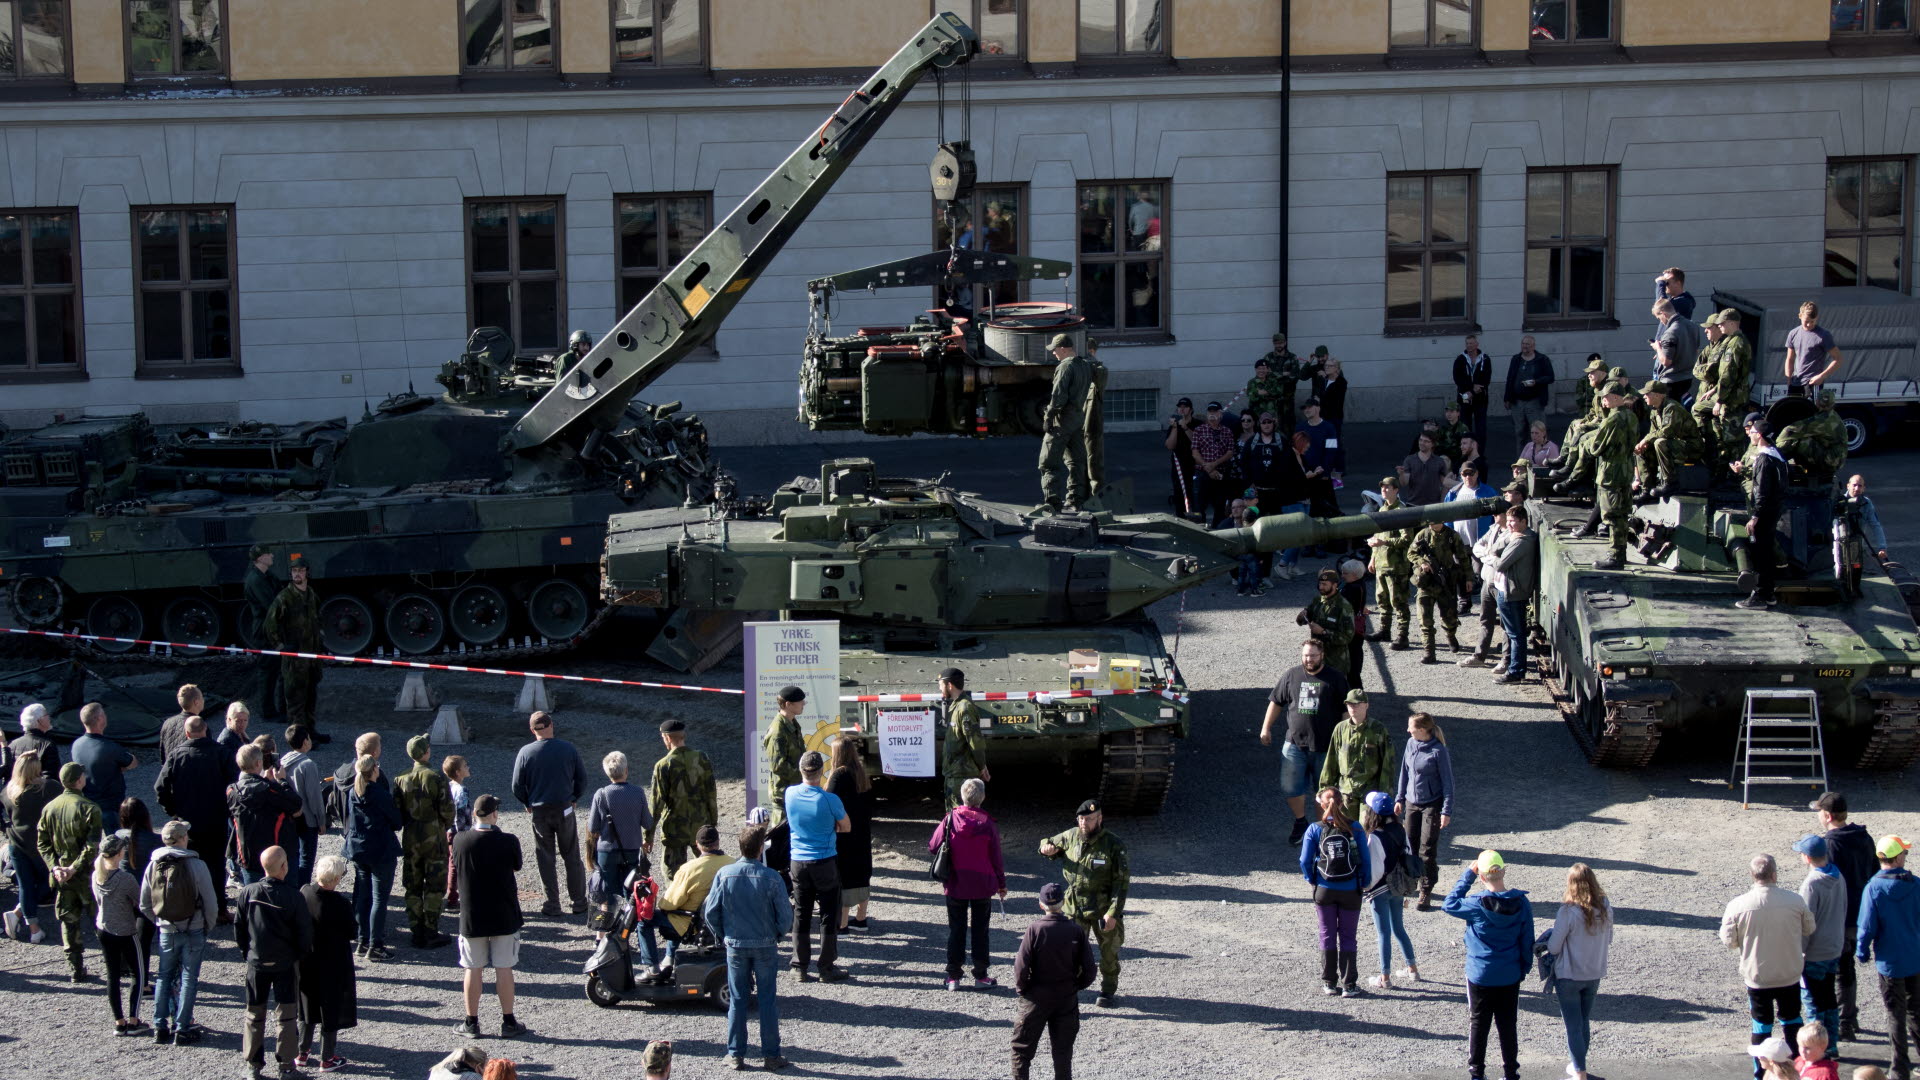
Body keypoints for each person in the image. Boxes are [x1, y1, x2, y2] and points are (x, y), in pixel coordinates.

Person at [704, 824, 794, 1071]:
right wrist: (776, 934)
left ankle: (735, 1054)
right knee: (767, 1000)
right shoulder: (772, 877)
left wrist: (724, 935)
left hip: (736, 944)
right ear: (760, 849)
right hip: (765, 944)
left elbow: (710, 912)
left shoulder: (725, 874)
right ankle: (771, 1055)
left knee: (737, 999)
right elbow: (786, 917)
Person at [1721, 853, 1817, 1073]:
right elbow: (1809, 928)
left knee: (1761, 1026)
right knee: (1792, 1020)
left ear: (1753, 876)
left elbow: (1729, 941)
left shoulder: (1737, 905)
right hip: (1789, 974)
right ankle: (1796, 1070)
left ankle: (1761, 1072)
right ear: (1774, 874)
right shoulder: (1795, 900)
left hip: (1757, 977)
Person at [1443, 850, 1535, 1080]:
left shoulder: (1475, 904)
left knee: (1479, 1023)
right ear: (1503, 871)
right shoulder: (1522, 903)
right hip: (1509, 973)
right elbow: (1527, 941)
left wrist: (1467, 875)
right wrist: (1523, 969)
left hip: (1480, 973)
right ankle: (1511, 1072)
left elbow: (1449, 903)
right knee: (1507, 1025)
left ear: (1482, 877)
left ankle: (1477, 1073)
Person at [1038, 799, 1128, 1008]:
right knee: (1070, 952)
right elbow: (1047, 842)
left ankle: (1107, 990)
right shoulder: (1070, 836)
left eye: (1088, 819)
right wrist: (1045, 848)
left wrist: (1113, 913)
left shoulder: (1113, 845)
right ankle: (1069, 990)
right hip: (1075, 906)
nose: (1083, 823)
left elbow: (1121, 883)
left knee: (1108, 953)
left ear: (1100, 819)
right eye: (1080, 819)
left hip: (1103, 908)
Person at [452, 794, 528, 1039]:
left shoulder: (460, 840)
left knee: (473, 968)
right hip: (504, 914)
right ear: (495, 814)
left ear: (474, 813)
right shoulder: (508, 841)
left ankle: (471, 1022)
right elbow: (517, 865)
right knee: (503, 968)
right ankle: (508, 1021)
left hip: (473, 915)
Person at [1261, 639, 1352, 844]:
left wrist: (1344, 740)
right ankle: (1301, 822)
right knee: (1290, 788)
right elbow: (1276, 702)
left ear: (1322, 655)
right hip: (1294, 745)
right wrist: (1265, 728)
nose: (1308, 659)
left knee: (1325, 792)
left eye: (1312, 655)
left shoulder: (1335, 678)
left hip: (1326, 747)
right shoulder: (1291, 676)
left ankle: (1323, 828)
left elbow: (1346, 711)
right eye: (1305, 655)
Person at [236, 846, 313, 1079]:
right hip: (285, 965)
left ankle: (253, 1065)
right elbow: (304, 935)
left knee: (254, 1014)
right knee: (286, 1016)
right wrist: (297, 956)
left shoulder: (248, 893)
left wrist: (247, 952)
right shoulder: (294, 896)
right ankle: (287, 1065)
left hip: (256, 963)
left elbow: (239, 928)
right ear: (284, 867)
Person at [141, 819, 218, 1045]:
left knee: (164, 976)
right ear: (183, 838)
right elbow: (210, 902)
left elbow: (145, 903)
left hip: (166, 929)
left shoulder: (153, 864)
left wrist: (159, 921)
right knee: (189, 979)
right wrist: (206, 926)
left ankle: (159, 1025)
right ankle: (182, 1027)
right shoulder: (197, 865)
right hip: (193, 927)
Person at [156, 714, 236, 924]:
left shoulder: (177, 755)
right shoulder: (222, 753)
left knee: (189, 864)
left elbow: (160, 788)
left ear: (187, 733)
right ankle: (218, 910)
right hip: (216, 819)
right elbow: (235, 784)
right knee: (217, 865)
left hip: (188, 823)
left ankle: (191, 907)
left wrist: (172, 811)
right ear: (206, 730)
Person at [1011, 881, 1096, 1080]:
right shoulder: (1076, 931)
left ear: (1041, 904)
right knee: (1063, 1053)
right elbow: (1090, 970)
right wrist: (1076, 986)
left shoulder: (1034, 929)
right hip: (1065, 998)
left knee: (1021, 1050)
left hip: (1036, 998)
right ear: (1064, 902)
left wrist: (1023, 989)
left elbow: (1021, 966)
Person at [930, 777, 1006, 990]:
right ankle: (980, 975)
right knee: (981, 931)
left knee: (956, 929)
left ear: (962, 796)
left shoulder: (950, 819)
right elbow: (996, 858)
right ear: (982, 797)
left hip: (955, 882)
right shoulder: (989, 823)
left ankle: (953, 975)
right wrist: (1001, 884)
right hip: (982, 883)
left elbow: (933, 845)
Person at [1816, 791, 1881, 1042]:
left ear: (1828, 815)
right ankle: (1849, 1018)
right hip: (1861, 913)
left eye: (1820, 813)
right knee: (1847, 967)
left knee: (1840, 969)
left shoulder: (1830, 844)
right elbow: (1874, 872)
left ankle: (1844, 1022)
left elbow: (1826, 883)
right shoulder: (1864, 837)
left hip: (1840, 916)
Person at [509, 710, 586, 916]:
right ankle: (578, 901)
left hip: (540, 810)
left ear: (532, 730)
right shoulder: (568, 749)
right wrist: (574, 798)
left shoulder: (526, 752)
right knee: (571, 855)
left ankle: (553, 903)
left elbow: (517, 785)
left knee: (545, 857)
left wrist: (528, 802)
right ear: (551, 725)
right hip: (564, 807)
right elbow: (582, 779)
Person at [1857, 835, 1920, 1080]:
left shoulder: (1873, 888)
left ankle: (1899, 1068)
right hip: (1915, 959)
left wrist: (1861, 951)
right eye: (1904, 852)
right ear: (1898, 857)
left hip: (1889, 964)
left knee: (1895, 1015)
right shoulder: (1916, 885)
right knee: (1916, 1012)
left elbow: (1867, 925)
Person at [784, 749, 849, 982]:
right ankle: (826, 967)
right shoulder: (830, 799)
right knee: (829, 913)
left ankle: (799, 966)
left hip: (798, 862)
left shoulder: (789, 794)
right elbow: (846, 826)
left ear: (801, 771)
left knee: (801, 912)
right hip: (824, 860)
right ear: (822, 772)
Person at [639, 824, 731, 983]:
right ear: (718, 842)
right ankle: (669, 958)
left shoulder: (689, 869)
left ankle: (652, 968)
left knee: (645, 921)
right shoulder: (731, 863)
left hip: (693, 924)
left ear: (698, 845)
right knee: (678, 913)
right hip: (722, 922)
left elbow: (668, 904)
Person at [1301, 786, 1370, 997]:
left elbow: (1304, 860)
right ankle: (1349, 984)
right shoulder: (1355, 827)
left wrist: (1313, 879)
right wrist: (1362, 882)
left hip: (1324, 889)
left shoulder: (1315, 829)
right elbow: (1365, 861)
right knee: (1348, 936)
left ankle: (1329, 983)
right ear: (1342, 802)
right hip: (1351, 889)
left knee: (1327, 934)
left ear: (1322, 804)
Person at [1547, 863, 1614, 1080]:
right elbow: (1609, 938)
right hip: (1594, 972)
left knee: (1573, 1025)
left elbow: (1554, 947)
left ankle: (1579, 1073)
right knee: (1584, 1021)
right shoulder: (1605, 906)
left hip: (1569, 975)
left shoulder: (1568, 911)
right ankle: (1578, 1065)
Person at [40, 760, 102, 980]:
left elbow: (43, 843)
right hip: (85, 876)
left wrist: (55, 867)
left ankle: (75, 969)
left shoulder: (49, 808)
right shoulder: (90, 808)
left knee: (69, 922)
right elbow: (92, 845)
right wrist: (74, 868)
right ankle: (117, 963)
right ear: (79, 781)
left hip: (61, 878)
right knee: (100, 919)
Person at [295, 853, 357, 1074]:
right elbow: (352, 931)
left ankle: (301, 1053)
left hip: (306, 962)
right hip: (332, 964)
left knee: (306, 1009)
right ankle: (327, 1058)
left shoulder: (304, 892)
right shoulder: (340, 903)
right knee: (329, 1011)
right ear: (336, 879)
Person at [394, 734, 455, 948]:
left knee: (412, 884)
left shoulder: (400, 778)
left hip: (411, 836)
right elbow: (448, 809)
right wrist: (442, 825)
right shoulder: (436, 776)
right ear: (426, 751)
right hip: (434, 835)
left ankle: (416, 928)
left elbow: (397, 811)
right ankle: (430, 929)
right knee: (435, 885)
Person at [343, 753, 402, 960]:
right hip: (380, 851)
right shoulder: (379, 793)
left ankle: (362, 940)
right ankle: (375, 945)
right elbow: (396, 821)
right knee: (379, 899)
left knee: (363, 895)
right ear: (374, 770)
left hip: (359, 849)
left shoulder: (353, 792)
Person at [648, 718, 717, 882]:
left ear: (667, 737)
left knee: (673, 876)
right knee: (707, 872)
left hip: (674, 830)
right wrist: (712, 824)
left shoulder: (663, 765)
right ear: (683, 735)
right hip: (700, 826)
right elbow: (711, 793)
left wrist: (648, 835)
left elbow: (657, 804)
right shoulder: (702, 758)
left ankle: (676, 905)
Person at [1360, 791, 1417, 991]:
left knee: (1383, 933)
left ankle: (1385, 977)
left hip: (1380, 889)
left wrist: (1365, 888)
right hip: (1399, 886)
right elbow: (1408, 853)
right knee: (1398, 928)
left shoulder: (1374, 837)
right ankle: (1412, 969)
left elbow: (1376, 869)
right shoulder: (1400, 829)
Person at [1797, 834, 1847, 1058]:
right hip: (1834, 947)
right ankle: (1831, 1045)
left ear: (1807, 858)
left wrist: (1800, 952)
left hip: (1815, 952)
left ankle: (1815, 1049)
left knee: (1813, 1003)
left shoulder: (1811, 884)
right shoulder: (1839, 876)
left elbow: (1806, 924)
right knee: (1829, 999)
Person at [92, 832, 146, 1036]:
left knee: (112, 975)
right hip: (126, 930)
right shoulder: (125, 878)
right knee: (138, 974)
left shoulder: (96, 875)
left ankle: (119, 1021)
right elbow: (140, 902)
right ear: (118, 854)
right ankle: (134, 1020)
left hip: (104, 928)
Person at [586, 748, 653, 914]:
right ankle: (631, 923)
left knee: (607, 892)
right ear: (626, 770)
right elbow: (647, 822)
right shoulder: (638, 792)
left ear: (608, 773)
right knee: (632, 890)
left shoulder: (601, 794)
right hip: (631, 849)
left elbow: (593, 827)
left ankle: (607, 927)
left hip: (607, 851)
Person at [263, 555, 325, 730]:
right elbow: (270, 625)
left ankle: (310, 732)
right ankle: (297, 737)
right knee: (296, 701)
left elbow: (317, 619)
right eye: (294, 571)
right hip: (295, 660)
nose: (297, 574)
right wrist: (281, 647)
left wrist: (321, 640)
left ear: (307, 573)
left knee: (310, 698)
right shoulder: (285, 597)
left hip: (312, 658)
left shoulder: (311, 595)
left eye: (301, 570)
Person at [230, 741, 304, 886]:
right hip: (274, 856)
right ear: (259, 763)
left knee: (254, 898)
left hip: (248, 856)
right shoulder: (269, 790)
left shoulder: (232, 791)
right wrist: (281, 781)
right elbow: (296, 804)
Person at [3, 750, 58, 944]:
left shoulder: (8, 791)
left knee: (25, 886)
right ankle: (18, 913)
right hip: (41, 845)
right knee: (50, 882)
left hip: (16, 844)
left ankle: (33, 928)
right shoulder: (48, 788)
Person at [1734, 415, 1789, 609]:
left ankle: (1761, 595)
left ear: (1761, 435)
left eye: (1754, 433)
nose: (1751, 435)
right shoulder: (1777, 455)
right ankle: (1769, 593)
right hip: (1774, 510)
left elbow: (1761, 491)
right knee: (1767, 553)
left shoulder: (1764, 459)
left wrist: (1755, 517)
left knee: (1761, 554)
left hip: (1764, 513)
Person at [1037, 333, 1093, 513]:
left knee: (1048, 463)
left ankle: (1052, 503)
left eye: (1055, 349)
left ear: (1063, 348)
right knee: (1077, 461)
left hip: (1061, 421)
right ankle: (1075, 500)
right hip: (1077, 419)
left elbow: (1058, 395)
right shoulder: (1084, 365)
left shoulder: (1065, 367)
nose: (1053, 353)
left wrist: (1049, 417)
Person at [1586, 384, 1638, 571]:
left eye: (1606, 397)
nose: (1603, 400)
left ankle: (1615, 556)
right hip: (1626, 470)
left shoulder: (1612, 419)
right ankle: (1620, 553)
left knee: (1612, 515)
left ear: (1616, 397)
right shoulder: (1631, 416)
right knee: (1623, 513)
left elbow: (1595, 448)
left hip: (1610, 473)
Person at [1320, 690, 1395, 819]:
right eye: (1349, 705)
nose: (1353, 708)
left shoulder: (1378, 729)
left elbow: (1388, 763)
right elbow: (1331, 760)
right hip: (1346, 791)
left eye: (1357, 704)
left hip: (1370, 790)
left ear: (1366, 705)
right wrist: (1325, 789)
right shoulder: (1340, 729)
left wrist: (1384, 793)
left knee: (1367, 829)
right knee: (1346, 828)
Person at [826, 733, 874, 931]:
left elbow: (828, 800)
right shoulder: (861, 772)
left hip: (843, 832)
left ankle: (843, 924)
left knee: (844, 876)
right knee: (862, 873)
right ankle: (861, 919)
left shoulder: (839, 774)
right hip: (862, 831)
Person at [1409, 519, 1471, 663]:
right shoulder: (1422, 535)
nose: (1432, 524)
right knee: (1425, 619)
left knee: (1449, 617)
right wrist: (1422, 563)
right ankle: (1429, 651)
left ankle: (1450, 634)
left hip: (1445, 583)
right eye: (1430, 522)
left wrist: (1468, 578)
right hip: (1426, 582)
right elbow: (1411, 553)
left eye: (1435, 521)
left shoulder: (1452, 536)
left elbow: (1463, 558)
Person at [71, 701, 138, 832]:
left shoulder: (76, 745)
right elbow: (133, 762)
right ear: (100, 718)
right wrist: (120, 768)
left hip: (87, 803)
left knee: (91, 846)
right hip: (110, 806)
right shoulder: (109, 747)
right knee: (116, 845)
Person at [1366, 477, 1416, 649]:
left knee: (1399, 601)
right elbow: (1377, 536)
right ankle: (1384, 630)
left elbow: (1407, 539)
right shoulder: (1381, 509)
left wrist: (1384, 543)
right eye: (1383, 488)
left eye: (1388, 488)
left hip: (1397, 565)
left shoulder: (1402, 511)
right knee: (1382, 599)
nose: (1384, 490)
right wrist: (1373, 557)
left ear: (1396, 490)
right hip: (1381, 562)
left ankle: (1403, 636)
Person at [1633, 379, 1704, 499]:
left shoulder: (1672, 408)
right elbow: (1653, 433)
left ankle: (1670, 482)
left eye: (1647, 394)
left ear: (1657, 395)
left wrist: (1646, 440)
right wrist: (1643, 444)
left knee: (1660, 442)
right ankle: (1647, 489)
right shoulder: (1655, 411)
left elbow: (1667, 432)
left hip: (1691, 447)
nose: (1644, 397)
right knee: (1643, 448)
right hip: (1674, 445)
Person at [1492, 507, 1538, 685]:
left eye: (1513, 521)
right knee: (1514, 633)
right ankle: (1516, 669)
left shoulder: (1521, 542)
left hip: (1512, 592)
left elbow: (1501, 564)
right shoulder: (1517, 537)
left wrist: (1490, 558)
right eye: (1508, 521)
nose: (1509, 524)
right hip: (1510, 589)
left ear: (1524, 522)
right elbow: (1496, 548)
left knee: (1515, 634)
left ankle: (1516, 671)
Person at [1834, 474, 1891, 600]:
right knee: (1840, 567)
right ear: (1848, 485)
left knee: (1857, 567)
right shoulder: (1838, 501)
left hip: (1857, 541)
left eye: (1860, 486)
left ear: (1864, 488)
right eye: (1854, 485)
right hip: (1839, 541)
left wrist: (1882, 547)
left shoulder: (1866, 503)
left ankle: (1855, 588)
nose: (1856, 488)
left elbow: (1875, 525)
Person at [243, 546, 284, 721]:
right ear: (260, 558)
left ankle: (279, 709)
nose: (272, 555)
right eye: (268, 553)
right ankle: (267, 712)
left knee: (277, 671)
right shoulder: (256, 580)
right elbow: (271, 604)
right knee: (267, 672)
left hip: (272, 627)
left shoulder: (267, 576)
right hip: (265, 630)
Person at [281, 725, 324, 887]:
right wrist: (321, 820)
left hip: (290, 818)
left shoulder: (282, 761)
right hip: (307, 820)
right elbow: (314, 797)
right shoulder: (308, 765)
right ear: (306, 741)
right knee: (306, 858)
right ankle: (303, 890)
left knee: (292, 856)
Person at [939, 667, 989, 808]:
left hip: (962, 775)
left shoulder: (964, 708)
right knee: (955, 818)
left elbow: (975, 742)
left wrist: (982, 766)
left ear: (949, 685)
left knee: (963, 819)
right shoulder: (956, 706)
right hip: (954, 773)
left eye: (941, 685)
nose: (940, 689)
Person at [1298, 569, 1356, 683]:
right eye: (1320, 583)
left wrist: (1323, 632)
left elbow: (1347, 637)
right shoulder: (1317, 601)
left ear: (1334, 585)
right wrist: (1302, 616)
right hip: (1316, 659)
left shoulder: (1343, 607)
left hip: (1335, 662)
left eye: (1324, 584)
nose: (1321, 587)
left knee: (1336, 696)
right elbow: (1302, 621)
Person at [763, 686, 806, 828]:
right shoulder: (778, 731)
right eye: (800, 702)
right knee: (780, 838)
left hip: (794, 790)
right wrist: (802, 776)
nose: (803, 704)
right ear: (788, 704)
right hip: (784, 794)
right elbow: (778, 766)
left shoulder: (792, 724)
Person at [1190, 401, 1239, 526]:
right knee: (1199, 506)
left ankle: (1218, 531)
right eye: (1210, 412)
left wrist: (1214, 464)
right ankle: (1200, 531)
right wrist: (1209, 468)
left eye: (1215, 411)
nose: (1212, 414)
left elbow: (1230, 452)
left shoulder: (1227, 431)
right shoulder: (1199, 430)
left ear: (1220, 414)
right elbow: (1195, 453)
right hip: (1203, 473)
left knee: (1220, 506)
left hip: (1221, 473)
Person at [1503, 337, 1554, 456]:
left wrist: (1536, 381)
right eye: (1523, 344)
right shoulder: (1516, 359)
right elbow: (1510, 378)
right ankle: (1521, 461)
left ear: (1533, 346)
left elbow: (1550, 377)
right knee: (1519, 432)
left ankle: (1540, 459)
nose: (1525, 346)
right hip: (1517, 402)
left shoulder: (1542, 359)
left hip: (1534, 401)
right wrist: (1507, 398)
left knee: (1538, 432)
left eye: (1528, 344)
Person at [1785, 300, 1844, 394]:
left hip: (1812, 383)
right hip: (1795, 383)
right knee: (1792, 408)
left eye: (1813, 321)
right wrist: (1788, 380)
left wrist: (1822, 376)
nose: (1809, 324)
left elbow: (1838, 359)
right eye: (1806, 321)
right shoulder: (1793, 334)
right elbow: (1790, 359)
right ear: (1800, 316)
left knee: (1810, 409)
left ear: (1817, 318)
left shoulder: (1824, 335)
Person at [1651, 298, 1701, 393]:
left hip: (1671, 381)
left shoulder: (1670, 332)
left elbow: (1666, 361)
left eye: (1659, 318)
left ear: (1663, 314)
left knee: (1669, 407)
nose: (1661, 322)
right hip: (1688, 377)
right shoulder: (1693, 326)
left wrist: (1658, 348)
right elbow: (1695, 350)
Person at [444, 754, 474, 913]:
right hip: (459, 832)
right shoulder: (462, 790)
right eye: (465, 766)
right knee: (456, 864)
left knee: (451, 862)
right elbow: (461, 814)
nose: (468, 767)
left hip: (449, 830)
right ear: (457, 772)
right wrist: (464, 834)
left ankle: (452, 896)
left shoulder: (448, 787)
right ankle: (453, 898)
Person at [1453, 335, 1493, 448]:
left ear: (1477, 344)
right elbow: (1457, 378)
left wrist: (1474, 392)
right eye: (1467, 343)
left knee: (1481, 428)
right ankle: (1466, 452)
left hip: (1481, 399)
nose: (1469, 346)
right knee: (1465, 428)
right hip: (1464, 398)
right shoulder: (1460, 359)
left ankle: (1479, 453)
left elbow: (1486, 379)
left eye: (1471, 343)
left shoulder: (1485, 359)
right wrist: (1471, 389)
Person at [1164, 397, 1198, 516]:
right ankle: (1180, 516)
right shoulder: (1174, 426)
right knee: (1179, 495)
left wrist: (1185, 428)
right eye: (1180, 407)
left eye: (1185, 407)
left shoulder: (1197, 424)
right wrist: (1175, 428)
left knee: (1194, 494)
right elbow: (1169, 446)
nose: (1182, 410)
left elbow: (1197, 441)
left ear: (1191, 409)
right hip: (1178, 467)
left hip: (1195, 465)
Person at [1338, 560, 1369, 687]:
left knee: (1352, 663)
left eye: (1345, 574)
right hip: (1358, 626)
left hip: (1350, 629)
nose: (1342, 576)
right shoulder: (1360, 584)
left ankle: (1355, 692)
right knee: (1355, 658)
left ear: (1355, 575)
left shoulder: (1351, 589)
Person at [1398, 434, 1452, 506]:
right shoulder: (1409, 460)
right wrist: (1401, 474)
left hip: (1433, 505)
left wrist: (1442, 503)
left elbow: (1444, 484)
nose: (1422, 443)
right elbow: (1404, 483)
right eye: (1420, 440)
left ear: (1432, 444)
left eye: (1426, 441)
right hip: (1413, 504)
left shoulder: (1439, 462)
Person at [10, 701, 60, 775]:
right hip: (39, 786)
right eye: (46, 715)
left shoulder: (13, 745)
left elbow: (9, 774)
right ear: (40, 720)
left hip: (17, 786)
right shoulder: (47, 745)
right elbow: (50, 776)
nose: (49, 717)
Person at [159, 684, 204, 763]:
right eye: (202, 698)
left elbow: (163, 756)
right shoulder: (198, 726)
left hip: (171, 771)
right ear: (196, 702)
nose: (203, 700)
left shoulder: (167, 723)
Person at [1246, 356, 1287, 429]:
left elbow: (1279, 393)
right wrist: (1268, 394)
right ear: (1255, 369)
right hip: (1256, 414)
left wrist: (1261, 393)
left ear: (1268, 369)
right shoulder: (1251, 382)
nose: (1261, 371)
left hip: (1271, 413)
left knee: (1273, 432)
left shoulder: (1273, 381)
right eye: (1259, 368)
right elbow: (1252, 397)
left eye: (1264, 368)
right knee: (1256, 433)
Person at [1312, 354, 1348, 429]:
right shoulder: (1325, 380)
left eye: (1330, 366)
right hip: (1322, 415)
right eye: (1326, 366)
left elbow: (1335, 402)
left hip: (1334, 417)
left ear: (1336, 368)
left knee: (1333, 439)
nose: (1326, 368)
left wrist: (1320, 400)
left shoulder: (1341, 382)